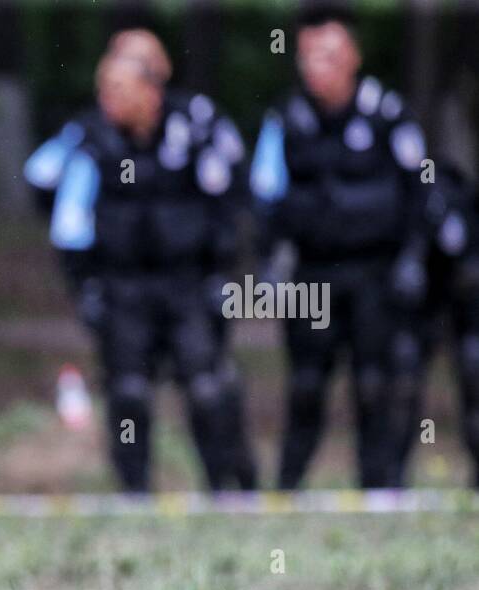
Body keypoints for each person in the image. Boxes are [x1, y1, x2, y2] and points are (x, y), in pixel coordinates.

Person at [44, 53, 243, 492]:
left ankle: (222, 488)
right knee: (128, 391)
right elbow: (67, 218)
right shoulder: (93, 141)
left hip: (187, 284)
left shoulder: (191, 131)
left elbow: (224, 207)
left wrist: (221, 275)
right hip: (123, 288)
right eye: (104, 90)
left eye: (118, 89)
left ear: (151, 91)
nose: (107, 100)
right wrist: (86, 286)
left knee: (206, 387)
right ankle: (134, 494)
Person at [250, 6, 428, 489]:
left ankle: (380, 489)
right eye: (306, 56)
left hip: (375, 273)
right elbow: (266, 197)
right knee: (306, 386)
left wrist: (413, 257)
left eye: (326, 56)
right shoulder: (286, 118)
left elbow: (420, 188)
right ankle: (287, 490)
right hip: (312, 274)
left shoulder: (388, 114)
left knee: (375, 385)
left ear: (353, 56)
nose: (314, 67)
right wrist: (268, 263)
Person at [389, 164, 479, 485]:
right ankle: (390, 480)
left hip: (465, 305)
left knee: (472, 368)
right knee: (403, 381)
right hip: (420, 307)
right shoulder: (410, 210)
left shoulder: (464, 204)